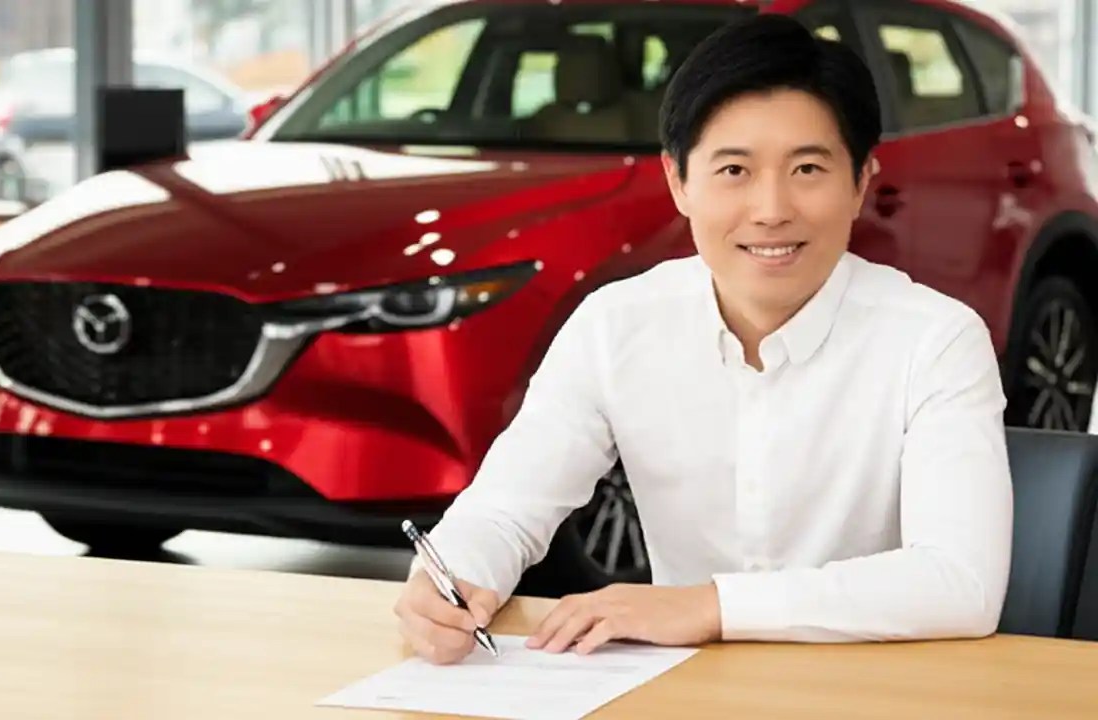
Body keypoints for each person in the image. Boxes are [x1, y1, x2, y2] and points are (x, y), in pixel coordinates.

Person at [394, 14, 1013, 664]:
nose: (771, 208)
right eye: (734, 171)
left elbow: (959, 584)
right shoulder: (617, 325)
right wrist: (449, 579)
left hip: (877, 685)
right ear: (679, 182)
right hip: (682, 689)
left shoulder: (936, 341)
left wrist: (712, 605)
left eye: (807, 168)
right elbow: (505, 511)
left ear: (861, 183)